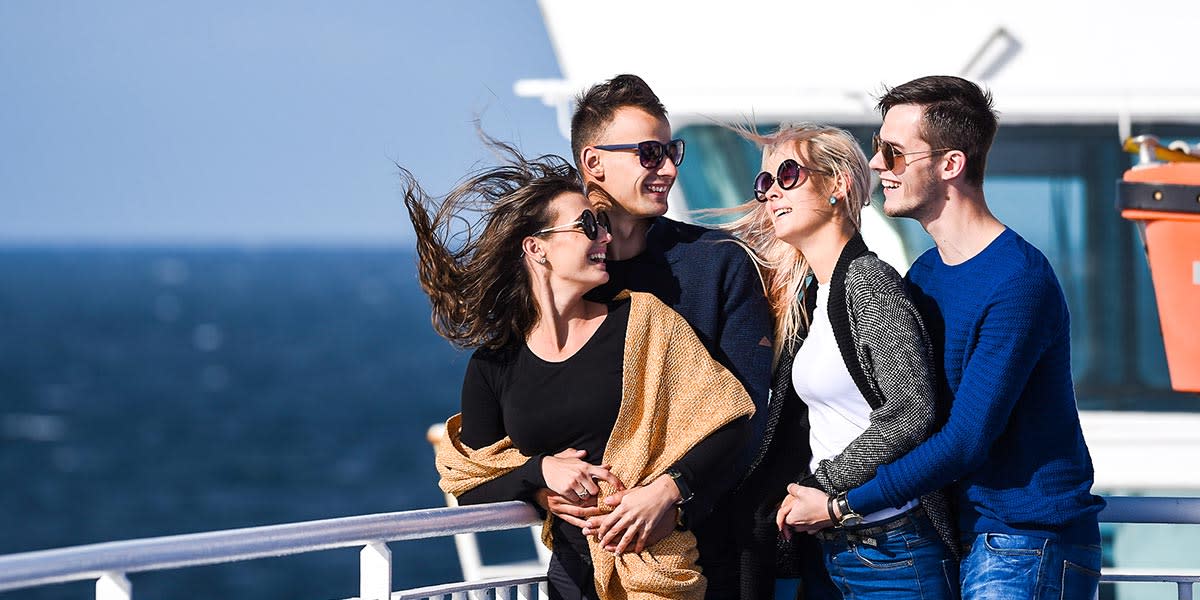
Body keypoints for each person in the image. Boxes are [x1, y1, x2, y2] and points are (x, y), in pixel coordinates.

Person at [777, 76, 1106, 600]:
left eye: (894, 152)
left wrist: (840, 503)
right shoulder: (926, 273)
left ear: (950, 165)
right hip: (965, 532)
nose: (878, 165)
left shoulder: (1019, 282)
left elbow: (965, 439)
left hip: (1027, 540)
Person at [404, 142, 755, 600]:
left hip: (659, 573)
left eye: (602, 225)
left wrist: (669, 491)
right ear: (537, 249)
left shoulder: (643, 322)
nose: (604, 237)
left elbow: (730, 419)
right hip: (570, 577)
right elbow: (470, 483)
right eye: (588, 226)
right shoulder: (494, 365)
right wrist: (540, 474)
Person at [536, 73, 774, 600]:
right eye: (649, 153)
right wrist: (541, 486)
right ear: (593, 163)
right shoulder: (557, 274)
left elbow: (750, 411)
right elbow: (525, 403)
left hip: (711, 560)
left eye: (672, 151)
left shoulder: (720, 263)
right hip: (584, 563)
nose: (668, 168)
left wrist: (674, 494)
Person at [723, 123, 958, 599]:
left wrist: (824, 484)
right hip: (832, 549)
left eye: (786, 175)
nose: (770, 194)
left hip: (894, 550)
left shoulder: (869, 282)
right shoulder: (813, 295)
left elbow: (913, 409)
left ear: (838, 184)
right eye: (763, 184)